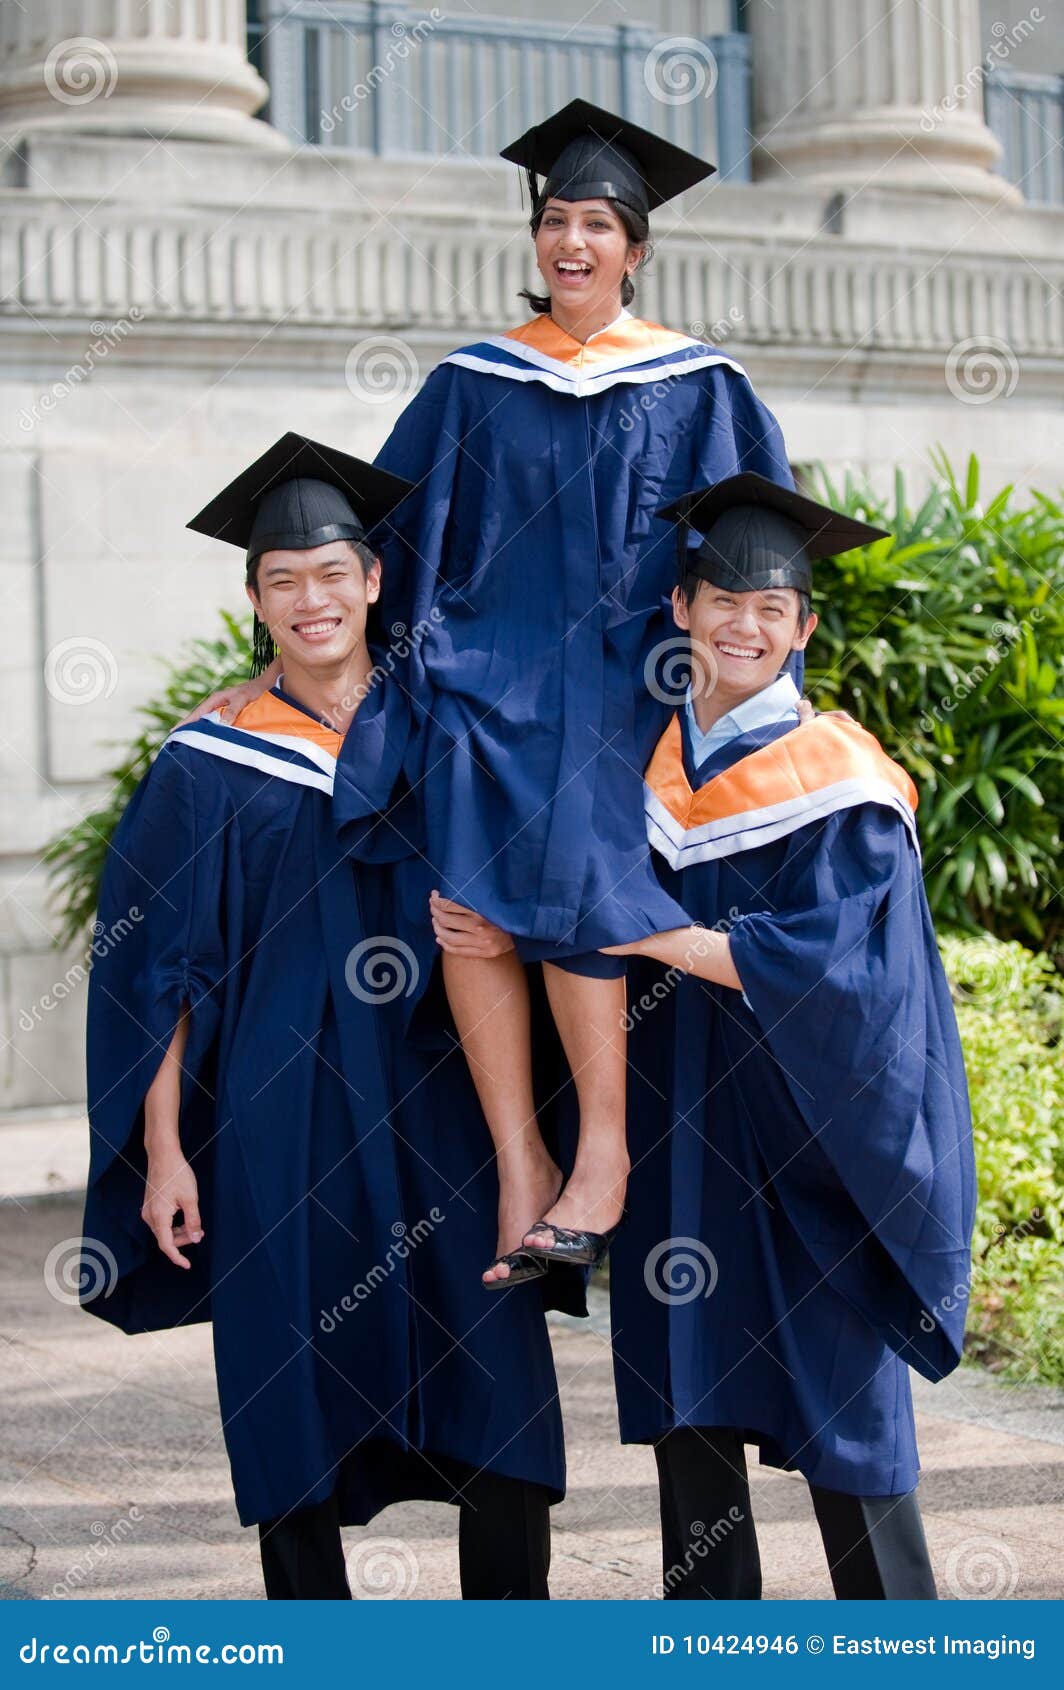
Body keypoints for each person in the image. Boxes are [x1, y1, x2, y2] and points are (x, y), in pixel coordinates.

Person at [195, 101, 798, 1288]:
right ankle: (524, 1167)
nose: (569, 243)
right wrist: (279, 670)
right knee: (462, 898)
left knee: (577, 850)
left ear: (634, 245)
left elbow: (746, 558)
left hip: (629, 685)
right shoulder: (474, 383)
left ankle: (603, 1159)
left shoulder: (700, 385)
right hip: (491, 675)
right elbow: (380, 539)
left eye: (595, 224)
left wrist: (748, 706)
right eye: (553, 222)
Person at [80, 434, 567, 1600]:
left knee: (493, 1375)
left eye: (332, 572)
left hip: (449, 1093)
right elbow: (156, 971)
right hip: (277, 1113)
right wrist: (160, 1150)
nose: (311, 599)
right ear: (253, 599)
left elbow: (541, 880)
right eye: (283, 579)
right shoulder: (207, 763)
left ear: (373, 580)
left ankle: (514, 1645)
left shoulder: (447, 730)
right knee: (288, 1379)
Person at [603, 473, 976, 1600]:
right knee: (690, 1402)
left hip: (817, 1137)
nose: (744, 623)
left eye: (771, 607)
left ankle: (900, 1646)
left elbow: (827, 968)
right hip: (681, 1126)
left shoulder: (840, 783)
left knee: (847, 1414)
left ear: (803, 627)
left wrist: (645, 930)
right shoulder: (641, 762)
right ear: (680, 609)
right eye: (721, 598)